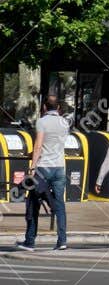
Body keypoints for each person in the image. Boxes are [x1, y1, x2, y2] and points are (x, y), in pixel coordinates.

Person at [19, 95, 69, 251]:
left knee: (34, 203)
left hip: (43, 168)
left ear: (44, 107)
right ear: (59, 108)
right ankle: (62, 241)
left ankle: (30, 241)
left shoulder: (41, 122)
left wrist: (32, 166)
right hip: (60, 167)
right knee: (59, 204)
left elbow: (39, 146)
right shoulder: (65, 122)